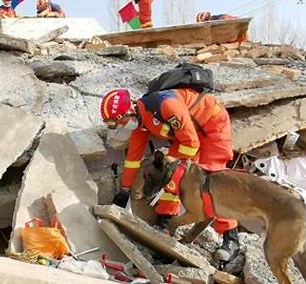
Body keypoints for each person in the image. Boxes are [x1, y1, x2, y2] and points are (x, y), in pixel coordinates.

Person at [100, 75, 239, 262]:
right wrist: (125, 190)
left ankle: (231, 239)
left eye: (117, 123)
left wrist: (173, 172)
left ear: (129, 112)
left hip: (213, 126)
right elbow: (133, 158)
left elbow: (191, 144)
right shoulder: (141, 124)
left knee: (213, 182)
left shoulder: (166, 105)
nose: (118, 128)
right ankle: (165, 222)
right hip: (188, 136)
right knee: (172, 178)